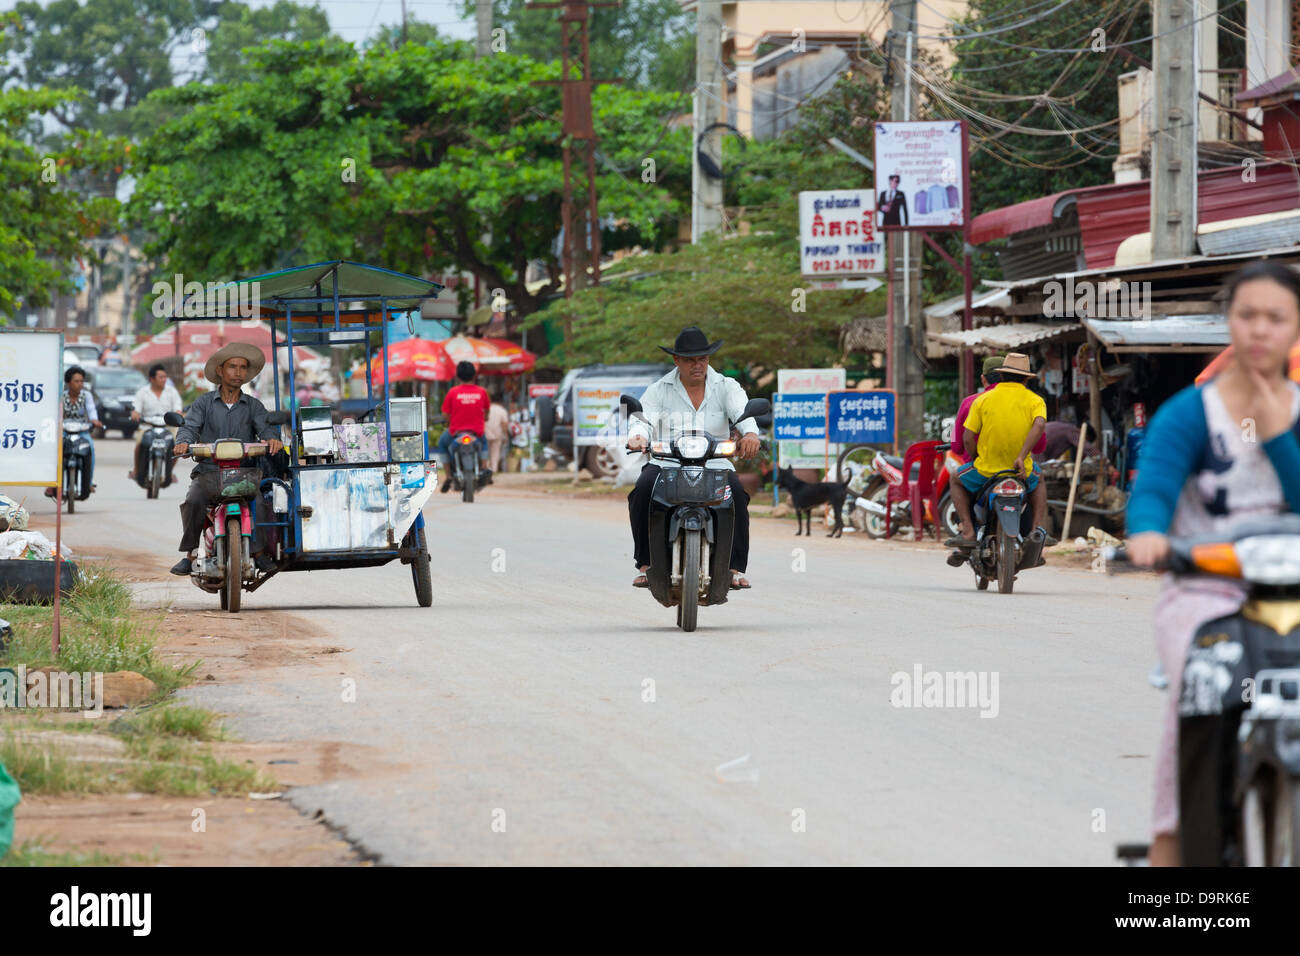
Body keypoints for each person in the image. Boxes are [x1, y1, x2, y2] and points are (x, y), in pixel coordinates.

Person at [1126, 260, 1300, 867]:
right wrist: (1148, 535)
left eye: (1275, 318)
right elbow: (1154, 490)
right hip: (1207, 586)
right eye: (1247, 315)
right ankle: (1177, 847)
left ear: (1295, 328)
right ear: (1228, 322)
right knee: (1202, 694)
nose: (1260, 330)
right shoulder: (1189, 412)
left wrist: (1279, 431)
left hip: (1292, 588)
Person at [626, 326, 762, 590]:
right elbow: (643, 419)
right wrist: (638, 436)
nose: (697, 365)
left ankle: (733, 569)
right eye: (689, 360)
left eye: (702, 358)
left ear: (708, 359)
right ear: (677, 360)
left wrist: (751, 435)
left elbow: (743, 413)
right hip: (667, 464)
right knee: (641, 491)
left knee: (737, 496)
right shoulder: (659, 389)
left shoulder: (726, 386)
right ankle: (645, 565)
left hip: (715, 463)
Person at [170, 344, 284, 576]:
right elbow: (189, 428)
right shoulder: (202, 403)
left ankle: (259, 553)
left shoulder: (254, 405)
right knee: (193, 499)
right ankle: (190, 553)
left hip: (244, 474)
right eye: (233, 367)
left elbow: (266, 429)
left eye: (243, 368)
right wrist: (183, 442)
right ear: (221, 371)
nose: (238, 372)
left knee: (261, 503)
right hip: (209, 473)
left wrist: (273, 440)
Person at [945, 352, 1048, 552]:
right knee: (1040, 479)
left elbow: (966, 438)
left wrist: (977, 459)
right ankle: (1037, 529)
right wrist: (1020, 456)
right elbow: (1040, 424)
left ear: (1001, 375)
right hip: (1022, 472)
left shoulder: (981, 401)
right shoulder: (1036, 400)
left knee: (955, 479)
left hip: (986, 472)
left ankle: (967, 531)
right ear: (1027, 378)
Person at [46, 366, 103, 498]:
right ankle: (51, 483)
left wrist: (94, 420)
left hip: (82, 431)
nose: (80, 384)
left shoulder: (87, 395)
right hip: (64, 431)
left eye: (82, 381)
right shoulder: (61, 396)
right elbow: (55, 413)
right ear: (68, 382)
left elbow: (91, 410)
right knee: (55, 450)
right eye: (76, 381)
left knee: (91, 449)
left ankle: (88, 482)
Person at [437, 361, 491, 491]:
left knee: (442, 444)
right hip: (476, 433)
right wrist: (485, 418)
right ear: (474, 375)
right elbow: (487, 411)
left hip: (456, 433)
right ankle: (483, 468)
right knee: (484, 443)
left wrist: (449, 420)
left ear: (458, 376)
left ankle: (449, 476)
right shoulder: (482, 392)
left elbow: (445, 415)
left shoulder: (452, 392)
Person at [128, 363, 184, 485]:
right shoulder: (142, 392)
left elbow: (178, 408)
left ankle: (170, 471)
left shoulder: (172, 391)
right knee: (139, 443)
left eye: (165, 377)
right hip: (147, 426)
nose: (164, 380)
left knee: (178, 446)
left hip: (168, 427)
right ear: (151, 379)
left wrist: (179, 413)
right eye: (161, 377)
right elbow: (136, 409)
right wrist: (135, 414)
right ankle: (136, 470)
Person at [485, 398, 510, 473]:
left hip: (485, 433)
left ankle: (486, 469)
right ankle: (493, 470)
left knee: (485, 452)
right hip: (497, 434)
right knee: (495, 453)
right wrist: (506, 435)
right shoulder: (502, 410)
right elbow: (504, 424)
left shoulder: (486, 409)